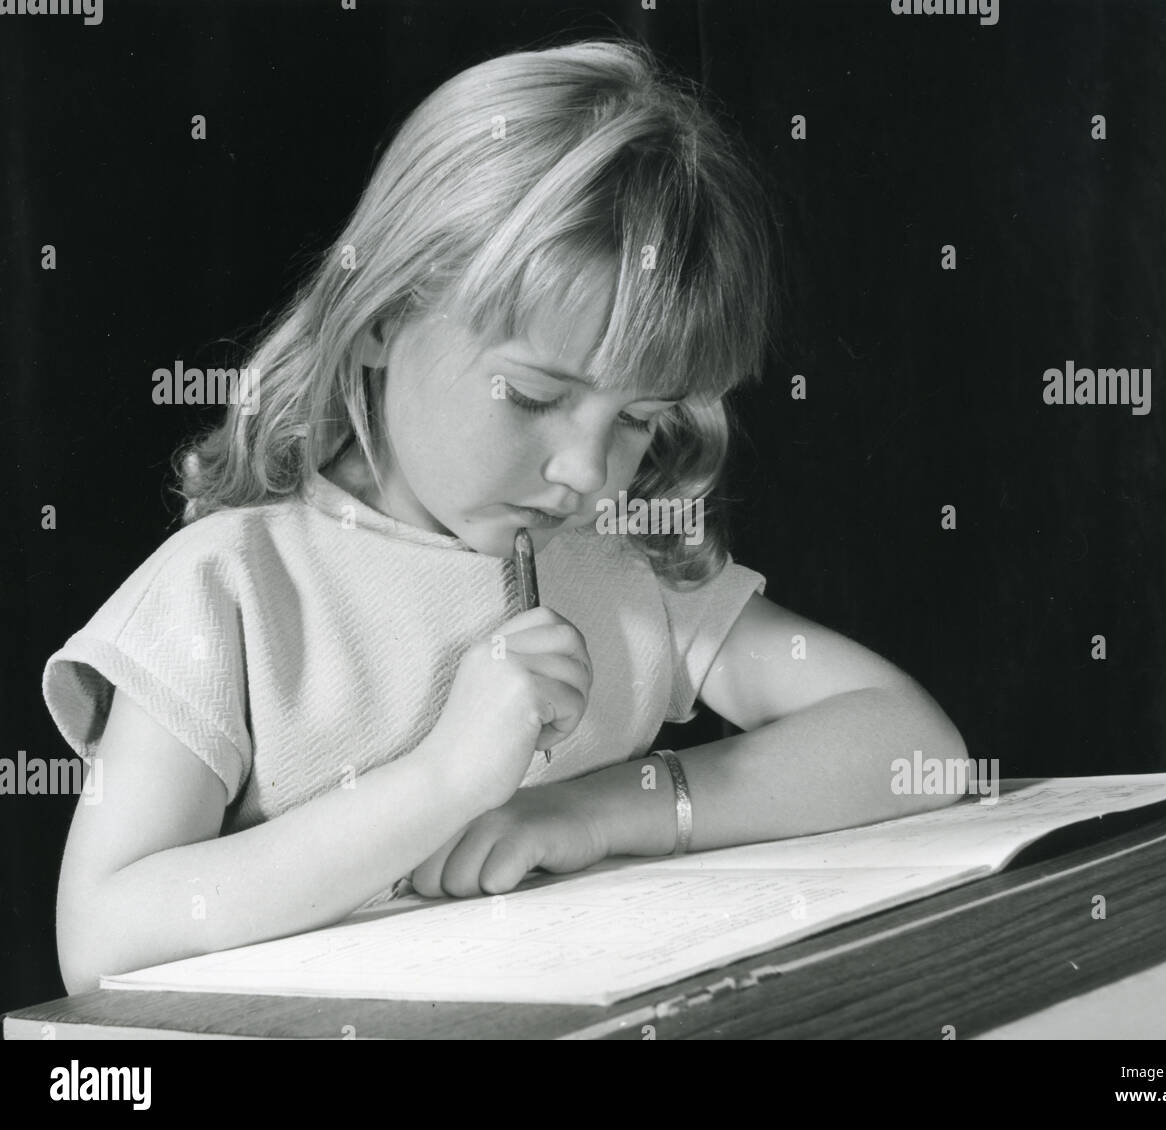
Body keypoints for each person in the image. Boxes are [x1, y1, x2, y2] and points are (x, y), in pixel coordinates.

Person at [45, 39, 968, 996]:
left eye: (639, 421)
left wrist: (597, 810)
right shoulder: (227, 589)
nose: (583, 471)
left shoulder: (619, 572)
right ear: (379, 319)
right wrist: (445, 779)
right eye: (531, 396)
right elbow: (103, 939)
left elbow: (914, 746)